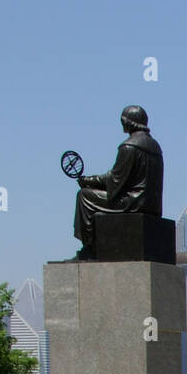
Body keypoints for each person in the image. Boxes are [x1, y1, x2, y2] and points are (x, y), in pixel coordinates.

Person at [73, 105, 164, 260]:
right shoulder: (156, 147)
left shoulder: (129, 146)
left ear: (129, 122)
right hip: (151, 205)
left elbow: (115, 180)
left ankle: (89, 248)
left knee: (84, 196)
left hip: (132, 203)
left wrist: (89, 181)